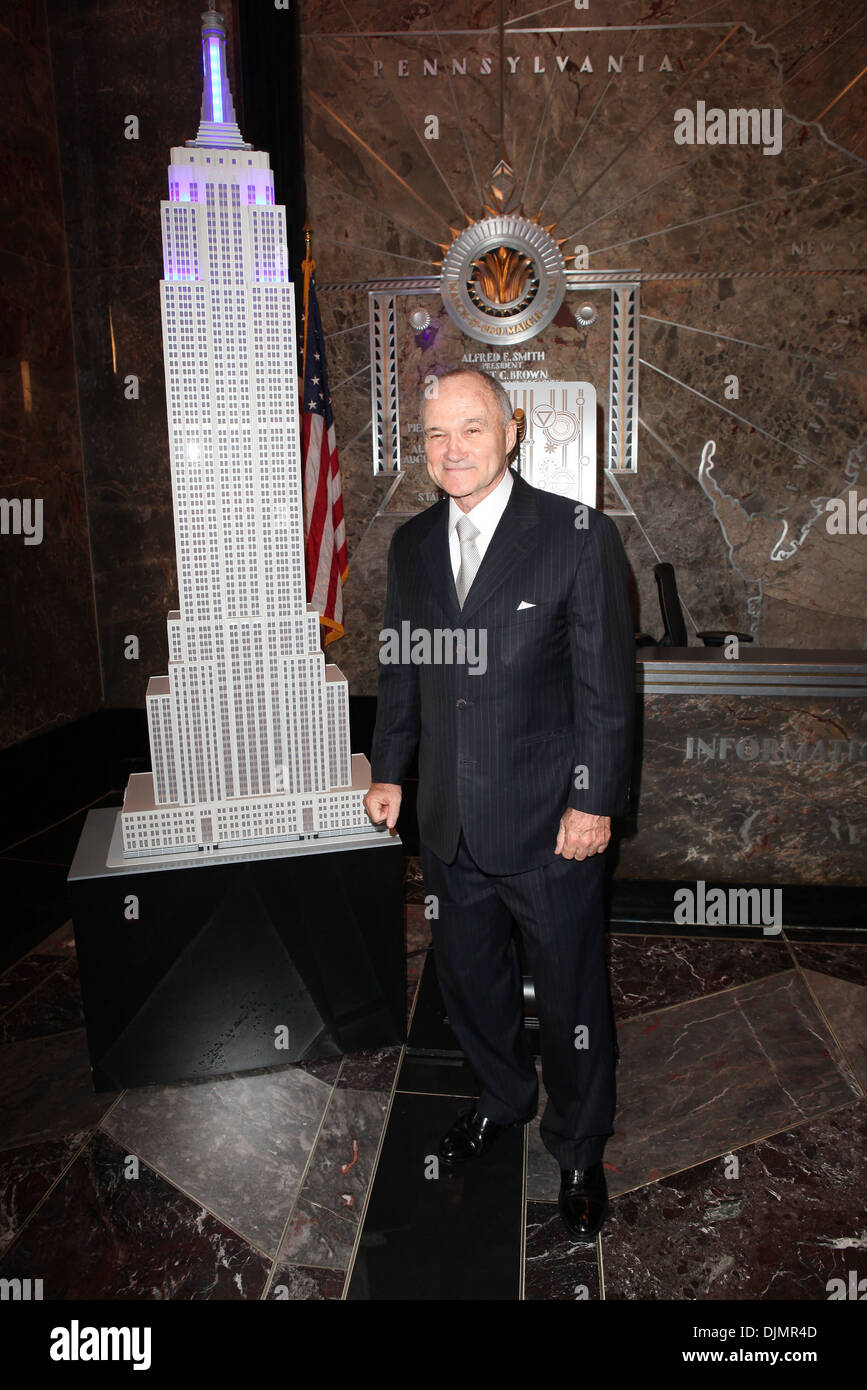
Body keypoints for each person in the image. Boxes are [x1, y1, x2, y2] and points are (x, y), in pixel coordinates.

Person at [363, 368, 635, 1238]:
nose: (451, 450)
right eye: (435, 435)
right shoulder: (408, 546)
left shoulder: (575, 535)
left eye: (470, 429)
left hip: (551, 823)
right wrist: (390, 770)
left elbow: (605, 689)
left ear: (511, 431)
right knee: (469, 983)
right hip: (446, 820)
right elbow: (401, 668)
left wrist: (591, 803)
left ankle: (580, 1148)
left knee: (569, 997)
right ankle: (501, 1098)